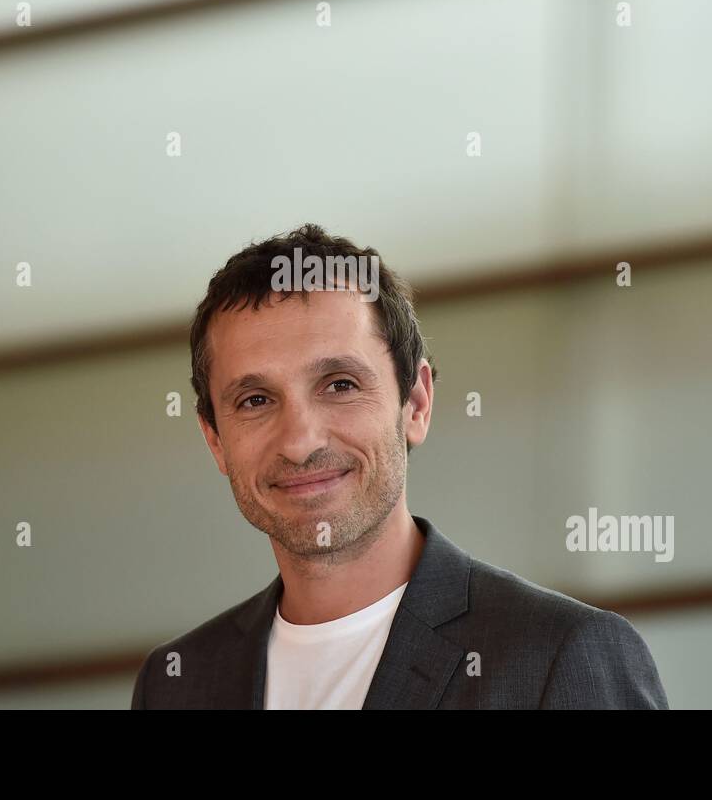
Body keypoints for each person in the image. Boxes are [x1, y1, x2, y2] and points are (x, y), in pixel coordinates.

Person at [131, 224, 668, 709]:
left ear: (415, 404)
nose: (299, 442)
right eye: (255, 400)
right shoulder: (176, 685)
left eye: (340, 385)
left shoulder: (560, 657)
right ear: (215, 440)